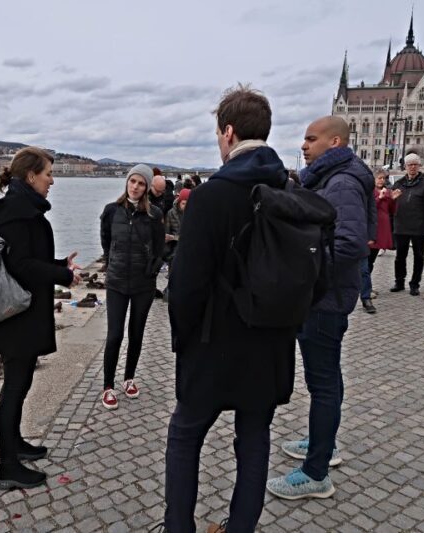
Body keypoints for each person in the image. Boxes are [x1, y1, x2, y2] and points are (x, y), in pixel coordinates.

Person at [163, 85, 296, 532]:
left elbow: (186, 286)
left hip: (211, 342)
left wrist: (183, 340)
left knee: (185, 435)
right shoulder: (289, 189)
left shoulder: (210, 196)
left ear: (228, 132)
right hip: (271, 342)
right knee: (254, 438)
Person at [268, 115, 373, 500]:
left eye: (311, 139)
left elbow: (350, 244)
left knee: (323, 382)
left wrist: (303, 266)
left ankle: (316, 473)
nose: (304, 145)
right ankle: (323, 443)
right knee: (327, 378)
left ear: (335, 143)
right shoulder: (334, 178)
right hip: (327, 295)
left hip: (325, 298)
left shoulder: (341, 183)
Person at [0, 147, 81, 490]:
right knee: (14, 388)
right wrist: (63, 276)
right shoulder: (18, 213)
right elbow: (21, 266)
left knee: (19, 387)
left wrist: (60, 266)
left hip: (22, 313)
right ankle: (7, 467)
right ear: (31, 176)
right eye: (48, 173)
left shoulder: (22, 208)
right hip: (17, 318)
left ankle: (15, 444)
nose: (52, 180)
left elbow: (27, 259)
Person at [99, 164, 165, 410]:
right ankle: (108, 386)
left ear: (147, 188)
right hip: (116, 282)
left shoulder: (154, 214)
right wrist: (111, 262)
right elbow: (106, 240)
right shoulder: (111, 211)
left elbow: (159, 247)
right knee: (114, 335)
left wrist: (152, 270)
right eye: (132, 181)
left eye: (141, 183)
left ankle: (129, 378)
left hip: (143, 284)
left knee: (136, 332)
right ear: (127, 181)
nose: (135, 187)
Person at [389, 153, 424, 296]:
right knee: (400, 256)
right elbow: (390, 205)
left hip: (418, 227)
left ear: (419, 166)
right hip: (401, 225)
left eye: (415, 164)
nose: (413, 167)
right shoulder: (398, 184)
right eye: (410, 164)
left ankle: (415, 284)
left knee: (418, 257)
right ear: (405, 166)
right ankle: (399, 282)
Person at [360, 170, 396, 313]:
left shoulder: (387, 192)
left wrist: (393, 199)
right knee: (366, 263)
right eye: (379, 178)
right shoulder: (370, 192)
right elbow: (369, 209)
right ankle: (365, 289)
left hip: (381, 229)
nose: (381, 180)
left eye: (383, 178)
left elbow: (392, 210)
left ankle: (366, 286)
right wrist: (379, 198)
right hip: (372, 229)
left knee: (371, 260)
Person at [163, 188, 190, 264]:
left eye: (188, 204)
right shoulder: (170, 213)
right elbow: (166, 233)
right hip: (174, 250)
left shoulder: (193, 214)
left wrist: (173, 237)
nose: (186, 207)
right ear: (179, 202)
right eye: (183, 204)